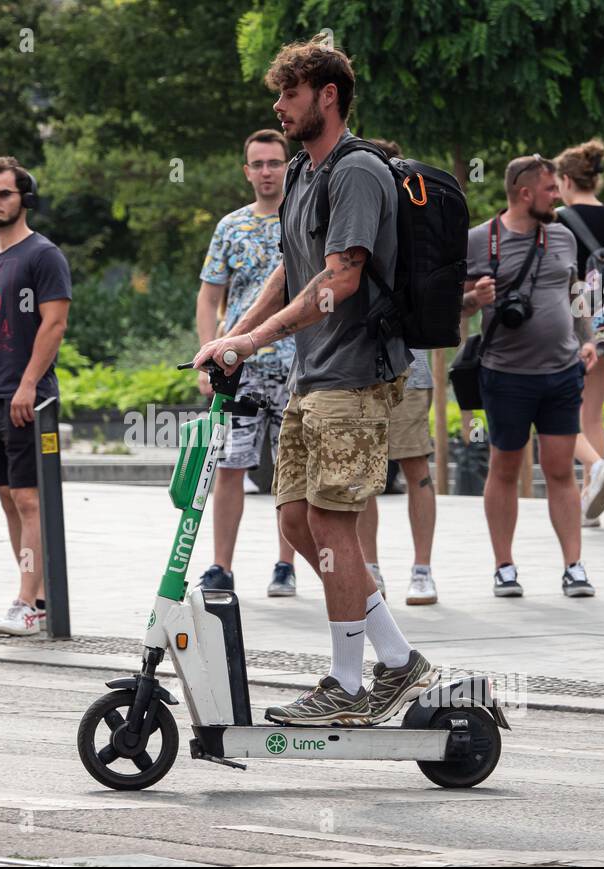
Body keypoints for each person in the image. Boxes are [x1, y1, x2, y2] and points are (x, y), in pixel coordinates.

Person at [195, 35, 436, 727]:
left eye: (290, 94)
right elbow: (292, 271)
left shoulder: (357, 172)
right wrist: (232, 336)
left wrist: (252, 338)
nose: (279, 105)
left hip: (355, 376)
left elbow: (340, 280)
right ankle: (398, 661)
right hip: (313, 373)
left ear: (327, 96)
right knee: (299, 520)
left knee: (333, 523)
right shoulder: (304, 170)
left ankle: (348, 684)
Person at [461, 154, 598, 599]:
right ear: (524, 194)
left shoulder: (563, 237)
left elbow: (575, 293)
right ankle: (504, 566)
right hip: (505, 375)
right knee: (504, 468)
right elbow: (448, 304)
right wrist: (472, 298)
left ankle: (573, 566)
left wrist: (587, 338)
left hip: (561, 373)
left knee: (560, 470)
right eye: (549, 189)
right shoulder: (480, 241)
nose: (557, 196)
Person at [0, 156, 72, 636]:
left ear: (24, 198)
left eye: (3, 194)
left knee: (30, 500)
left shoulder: (43, 255)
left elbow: (55, 323)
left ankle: (27, 602)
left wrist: (27, 384)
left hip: (28, 398)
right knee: (8, 499)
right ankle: (36, 597)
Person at [196, 129, 298, 598]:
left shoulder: (302, 219)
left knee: (291, 466)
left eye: (274, 162)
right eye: (257, 164)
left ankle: (285, 564)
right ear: (246, 171)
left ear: (287, 164)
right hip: (241, 365)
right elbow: (209, 294)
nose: (266, 172)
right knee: (230, 463)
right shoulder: (231, 226)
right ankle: (222, 566)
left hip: (299, 362)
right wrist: (207, 357)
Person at [355, 137, 438, 606]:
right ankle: (370, 568)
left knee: (415, 468)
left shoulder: (415, 224)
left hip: (409, 365)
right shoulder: (352, 218)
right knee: (365, 474)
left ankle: (422, 570)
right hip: (359, 364)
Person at [554, 139, 604, 528]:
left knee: (563, 412)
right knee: (594, 413)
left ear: (566, 179)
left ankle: (590, 476)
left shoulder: (559, 218)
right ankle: (590, 496)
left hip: (572, 319)